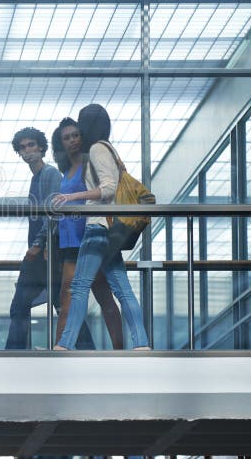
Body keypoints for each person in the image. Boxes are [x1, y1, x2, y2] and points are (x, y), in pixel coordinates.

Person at [53, 104, 151, 351]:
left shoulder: (97, 149)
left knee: (79, 286)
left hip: (98, 226)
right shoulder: (108, 149)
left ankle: (65, 345)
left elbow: (107, 189)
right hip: (109, 228)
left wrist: (73, 198)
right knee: (122, 288)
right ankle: (141, 344)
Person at [51, 118, 124, 349]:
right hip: (70, 241)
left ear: (82, 137)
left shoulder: (89, 162)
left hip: (90, 237)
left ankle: (119, 350)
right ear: (60, 143)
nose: (72, 141)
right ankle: (60, 349)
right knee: (68, 296)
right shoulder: (66, 170)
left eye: (75, 135)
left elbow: (108, 186)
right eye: (66, 137)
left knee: (101, 297)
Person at [4, 127, 62, 349]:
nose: (27, 151)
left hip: (47, 251)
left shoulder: (50, 174)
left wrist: (39, 244)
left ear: (41, 147)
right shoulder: (36, 179)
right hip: (43, 251)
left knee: (20, 305)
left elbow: (55, 212)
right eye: (22, 147)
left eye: (31, 145)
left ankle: (13, 353)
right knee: (59, 303)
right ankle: (86, 346)